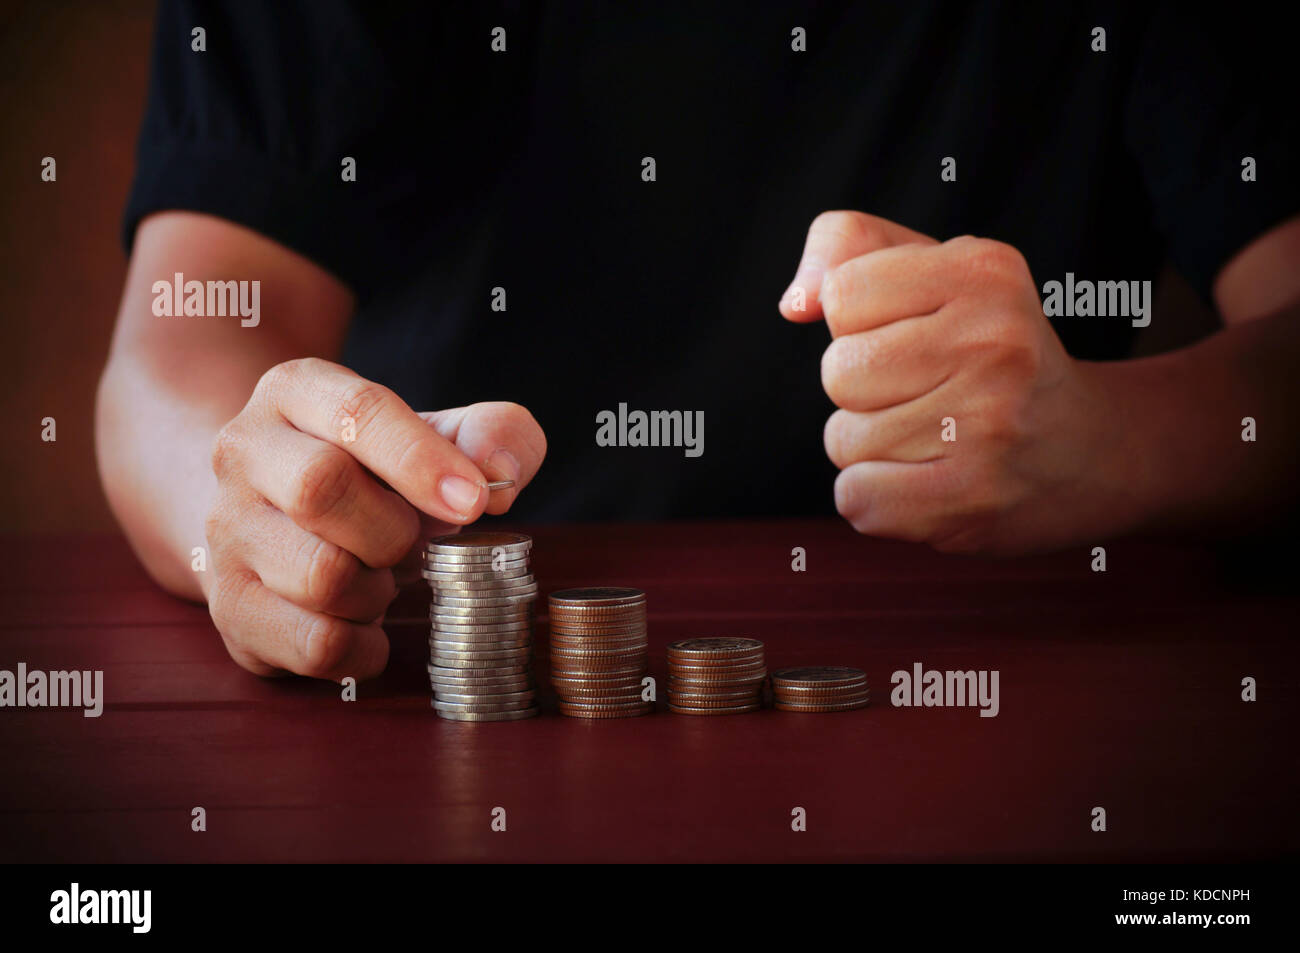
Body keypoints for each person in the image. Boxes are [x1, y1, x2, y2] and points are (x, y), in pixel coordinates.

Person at [96, 2, 1300, 681]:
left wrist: (1109, 436)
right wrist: (257, 507)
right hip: (433, 656)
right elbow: (178, 351)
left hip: (1038, 668)